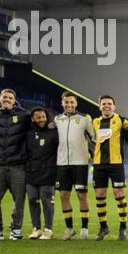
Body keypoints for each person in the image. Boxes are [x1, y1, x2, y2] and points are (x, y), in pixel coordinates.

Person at [0, 88, 30, 241]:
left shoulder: (24, 115)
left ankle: (16, 229)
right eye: (4, 97)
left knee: (19, 200)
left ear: (14, 100)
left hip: (18, 165)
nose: (7, 99)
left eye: (10, 97)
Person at [90, 95, 128, 241]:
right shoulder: (94, 122)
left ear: (114, 106)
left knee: (119, 194)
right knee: (100, 195)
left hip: (116, 163)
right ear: (99, 106)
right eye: (103, 104)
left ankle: (123, 227)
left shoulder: (121, 120)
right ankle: (103, 227)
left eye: (109, 104)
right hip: (99, 164)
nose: (106, 106)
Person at [53, 92, 94, 239]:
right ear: (62, 103)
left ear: (76, 103)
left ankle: (84, 228)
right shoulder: (57, 119)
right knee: (64, 195)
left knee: (81, 195)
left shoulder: (84, 118)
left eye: (72, 102)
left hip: (80, 163)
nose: (69, 105)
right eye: (66, 102)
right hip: (62, 163)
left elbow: (94, 137)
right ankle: (69, 228)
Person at [24, 107, 58, 240]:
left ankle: (48, 229)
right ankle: (36, 228)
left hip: (49, 173)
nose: (41, 119)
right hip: (31, 173)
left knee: (47, 201)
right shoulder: (29, 133)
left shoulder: (54, 132)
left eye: (43, 116)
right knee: (32, 200)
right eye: (38, 117)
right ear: (33, 119)